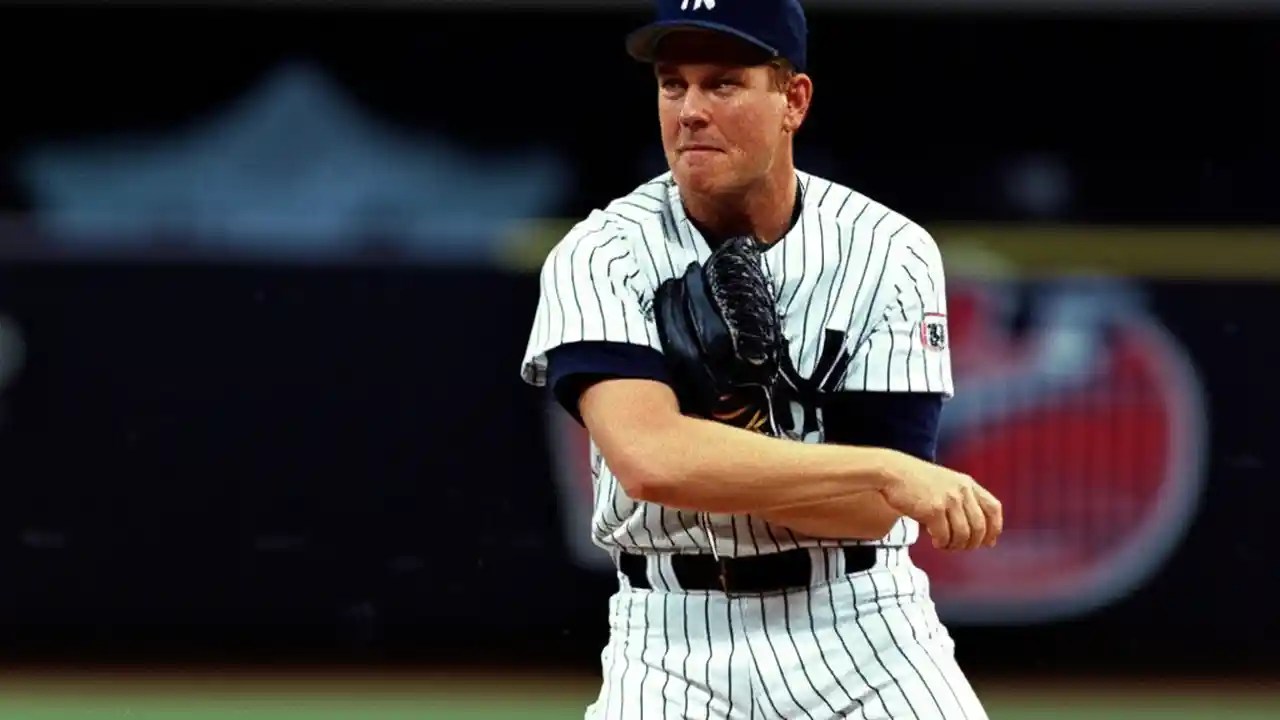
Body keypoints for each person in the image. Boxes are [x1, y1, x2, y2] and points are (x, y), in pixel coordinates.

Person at [519, 1, 1003, 717]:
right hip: (670, 641)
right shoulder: (600, 253)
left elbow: (870, 515)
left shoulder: (888, 251)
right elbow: (651, 461)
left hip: (863, 627)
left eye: (723, 83)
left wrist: (725, 450)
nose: (690, 110)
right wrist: (881, 467)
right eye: (673, 83)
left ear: (793, 101)